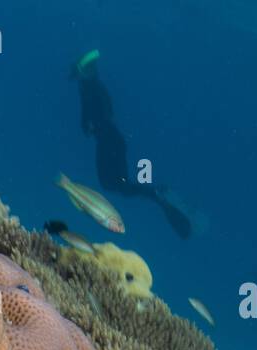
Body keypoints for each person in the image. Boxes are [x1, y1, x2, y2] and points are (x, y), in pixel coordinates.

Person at [72, 50, 195, 239]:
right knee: (116, 184)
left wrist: (91, 126)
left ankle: (155, 194)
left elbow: (88, 125)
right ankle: (155, 194)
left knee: (114, 184)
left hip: (108, 142)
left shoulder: (89, 90)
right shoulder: (94, 88)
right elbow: (106, 114)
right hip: (112, 141)